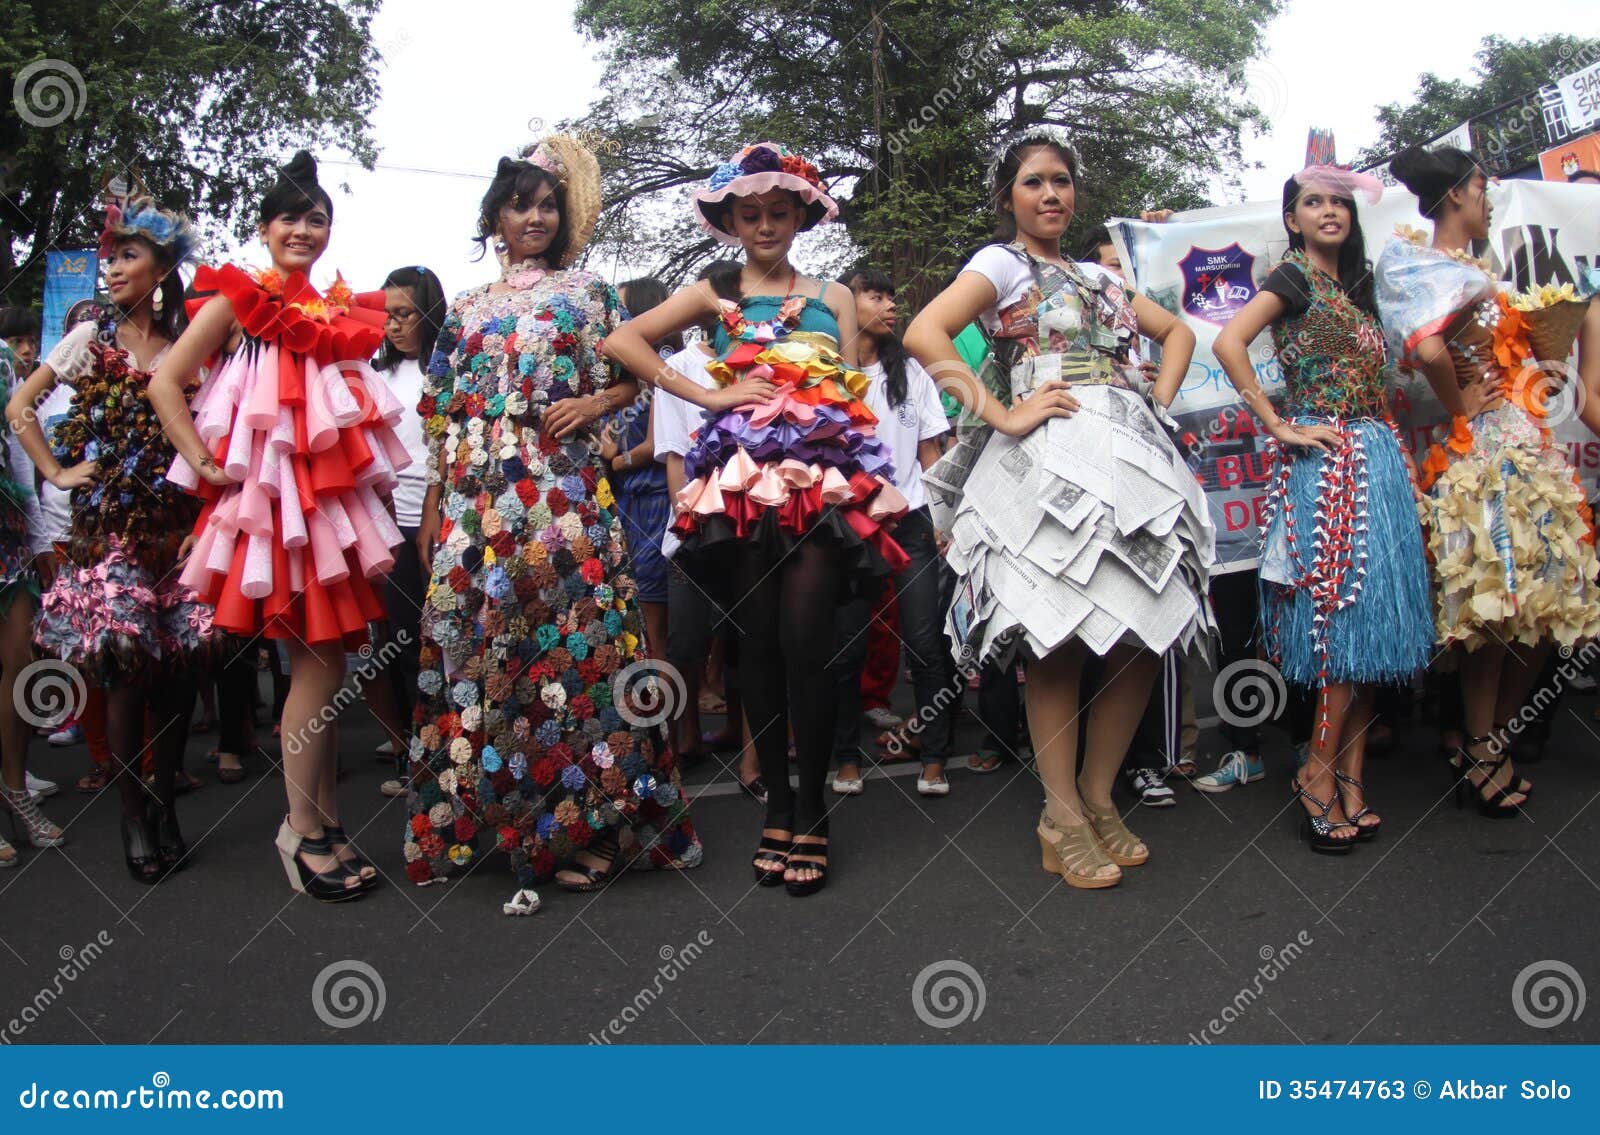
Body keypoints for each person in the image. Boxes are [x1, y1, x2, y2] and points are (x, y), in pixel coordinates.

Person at [905, 126, 1211, 890]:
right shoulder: (1000, 264)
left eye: (1062, 181)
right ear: (1008, 196)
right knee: (1058, 637)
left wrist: (1155, 403)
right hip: (1049, 461)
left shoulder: (1097, 275)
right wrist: (1003, 413)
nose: (1051, 194)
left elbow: (1176, 334)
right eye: (1035, 181)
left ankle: (1102, 798)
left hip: (1129, 457)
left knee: (1143, 629)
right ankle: (1060, 811)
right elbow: (924, 331)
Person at [402, 137, 701, 910]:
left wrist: (597, 404)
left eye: (546, 204)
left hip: (566, 499)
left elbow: (641, 367)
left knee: (578, 654)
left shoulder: (589, 292)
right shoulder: (464, 308)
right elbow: (439, 416)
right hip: (478, 505)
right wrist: (442, 509)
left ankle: (588, 826)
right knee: (486, 653)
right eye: (519, 203)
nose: (534, 216)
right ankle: (515, 821)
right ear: (495, 217)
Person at [606, 141, 909, 897]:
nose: (765, 224)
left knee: (807, 640)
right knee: (757, 648)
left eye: (779, 211)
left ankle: (813, 811)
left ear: (802, 213)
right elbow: (623, 340)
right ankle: (778, 804)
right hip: (738, 487)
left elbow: (844, 393)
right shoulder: (713, 287)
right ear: (731, 219)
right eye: (751, 213)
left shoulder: (835, 296)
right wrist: (705, 396)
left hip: (814, 483)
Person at [151, 151, 406, 901]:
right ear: (265, 226)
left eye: (316, 218)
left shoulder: (331, 310)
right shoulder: (239, 299)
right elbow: (167, 382)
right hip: (272, 511)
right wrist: (204, 460)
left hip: (327, 510)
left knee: (327, 669)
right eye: (290, 216)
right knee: (317, 669)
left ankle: (323, 825)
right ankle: (300, 832)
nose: (303, 229)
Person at [1213, 167, 1433, 851]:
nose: (1330, 211)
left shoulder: (1357, 287)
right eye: (1315, 202)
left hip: (1378, 461)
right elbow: (1228, 342)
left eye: (1340, 201)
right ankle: (1314, 770)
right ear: (1294, 219)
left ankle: (1353, 777)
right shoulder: (1294, 279)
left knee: (1373, 636)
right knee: (1339, 633)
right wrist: (1277, 423)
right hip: (1328, 465)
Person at [1376, 145, 1599, 816]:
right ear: (1454, 197)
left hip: (1522, 441)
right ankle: (1478, 743)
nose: (1489, 199)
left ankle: (1484, 734)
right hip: (1481, 450)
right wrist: (1458, 403)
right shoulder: (1416, 261)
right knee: (1492, 609)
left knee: (1531, 603)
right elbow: (1423, 347)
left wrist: (1541, 370)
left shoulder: (1479, 270)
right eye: (1481, 187)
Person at [11, 198, 211, 881]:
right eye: (111, 255)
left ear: (161, 269)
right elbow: (19, 409)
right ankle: (132, 815)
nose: (114, 266)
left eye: (129, 255)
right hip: (113, 536)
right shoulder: (89, 340)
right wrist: (58, 469)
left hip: (181, 531)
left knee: (181, 672)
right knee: (125, 675)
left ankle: (165, 801)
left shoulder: (191, 340)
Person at [829, 266, 952, 796]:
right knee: (847, 646)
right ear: (847, 304)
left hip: (911, 522)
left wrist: (944, 521)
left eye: (892, 295)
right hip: (847, 526)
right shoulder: (826, 374)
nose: (889, 305)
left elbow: (931, 454)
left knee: (925, 642)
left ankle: (935, 760)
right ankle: (846, 760)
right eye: (875, 295)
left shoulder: (913, 374)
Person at [648, 262, 765, 802]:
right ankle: (683, 740)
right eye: (732, 303)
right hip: (694, 524)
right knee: (687, 644)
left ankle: (753, 760)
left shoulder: (768, 359)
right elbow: (675, 456)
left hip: (758, 521)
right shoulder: (677, 369)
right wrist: (683, 521)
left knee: (752, 642)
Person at [365, 265, 446, 799]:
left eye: (405, 314)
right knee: (394, 639)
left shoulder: (447, 372)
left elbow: (446, 447)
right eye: (387, 315)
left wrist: (435, 513)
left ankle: (445, 751)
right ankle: (409, 752)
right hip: (384, 519)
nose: (394, 326)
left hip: (434, 517)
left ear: (429, 314)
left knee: (438, 637)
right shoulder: (373, 373)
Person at [0, 324, 62, 865]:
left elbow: (18, 450)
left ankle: (15, 789)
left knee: (20, 668)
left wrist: (38, 534)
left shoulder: (2, 359)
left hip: (8, 538)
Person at [603, 277, 675, 671]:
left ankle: (664, 714)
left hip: (655, 501)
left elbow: (654, 445)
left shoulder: (660, 367)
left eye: (624, 310)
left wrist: (616, 459)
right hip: (630, 504)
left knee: (653, 624)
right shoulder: (625, 372)